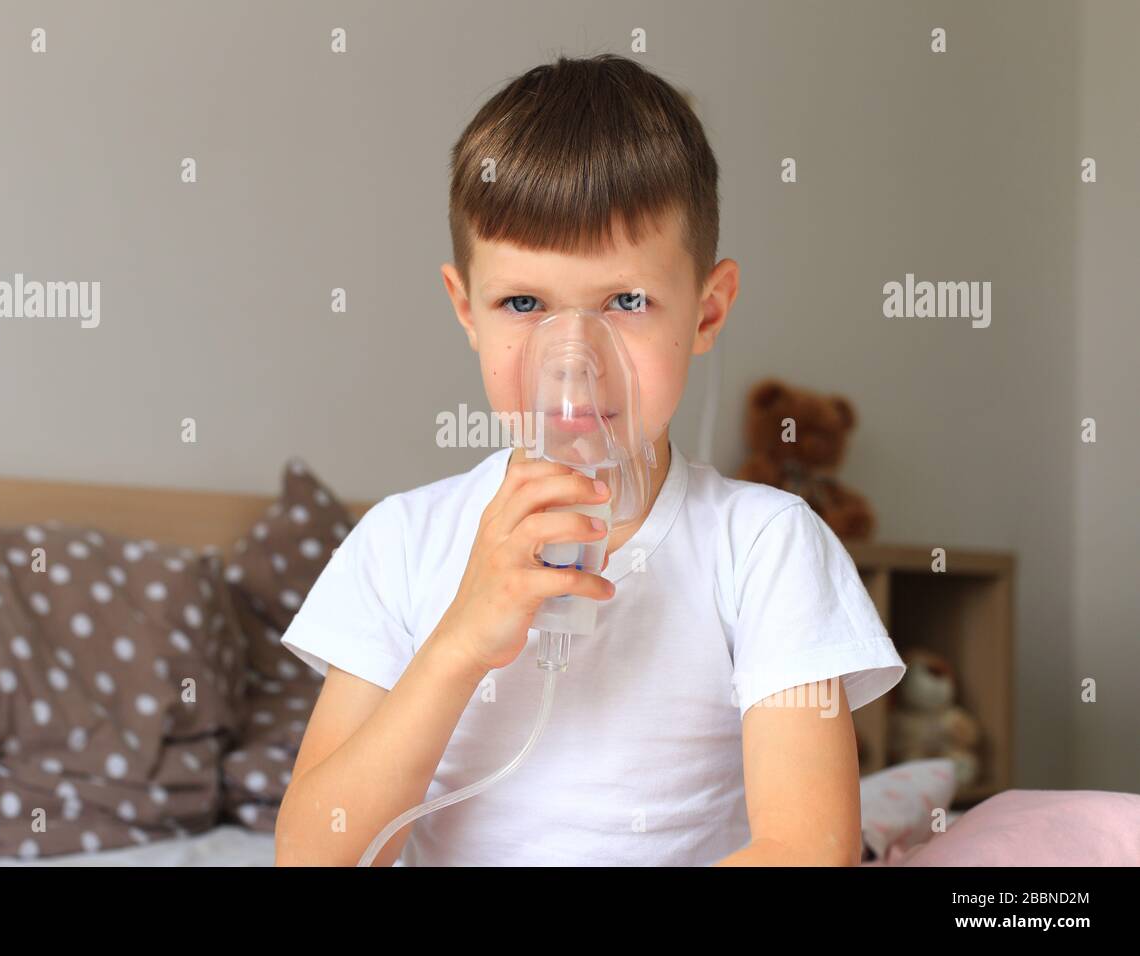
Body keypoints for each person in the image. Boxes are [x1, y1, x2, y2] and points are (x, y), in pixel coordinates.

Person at [274, 53, 905, 867]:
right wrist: (459, 642)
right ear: (466, 310)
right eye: (524, 304)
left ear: (708, 311)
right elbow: (310, 854)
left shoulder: (765, 547)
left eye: (627, 302)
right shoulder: (401, 546)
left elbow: (810, 849)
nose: (573, 360)